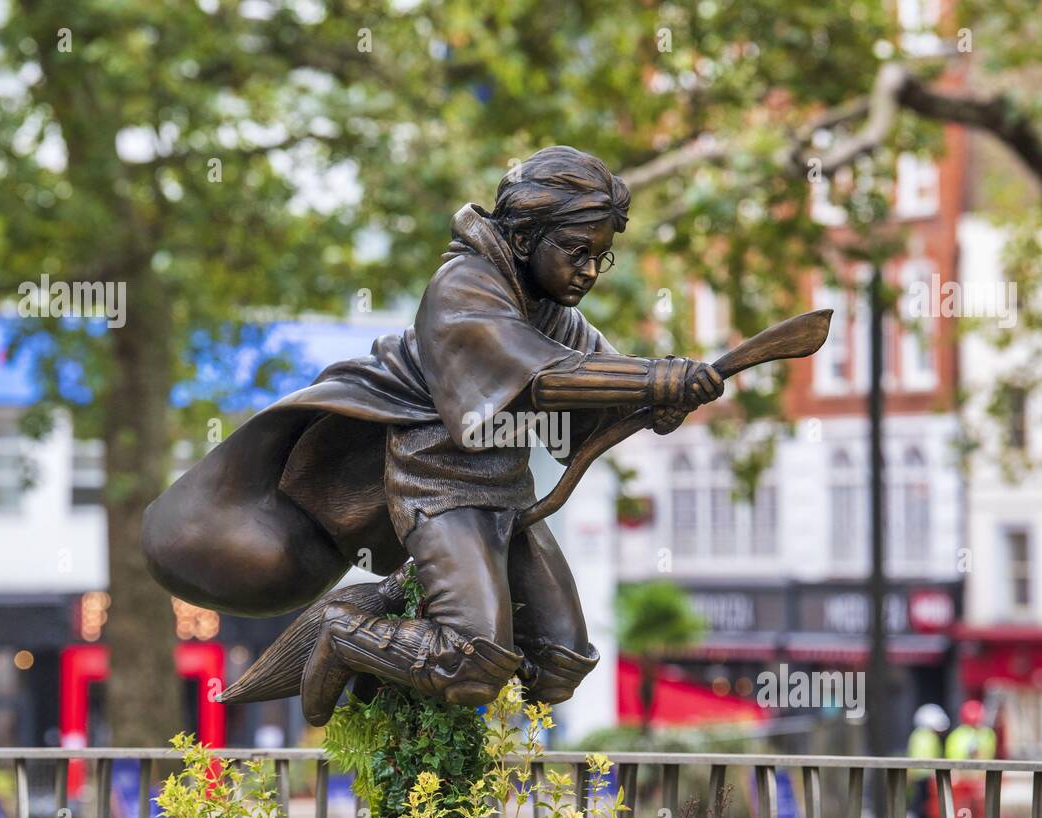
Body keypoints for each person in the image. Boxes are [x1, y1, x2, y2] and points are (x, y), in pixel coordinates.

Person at [143, 146, 725, 719]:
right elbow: (539, 375)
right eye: (578, 251)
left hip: (506, 495)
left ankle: (409, 661)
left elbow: (592, 390)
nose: (591, 271)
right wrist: (653, 379)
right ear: (525, 239)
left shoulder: (555, 314)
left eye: (603, 257)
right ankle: (349, 632)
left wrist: (656, 400)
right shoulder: (463, 287)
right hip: (438, 487)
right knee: (472, 660)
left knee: (560, 661)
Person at [907, 703, 950, 818]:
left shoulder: (919, 736)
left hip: (923, 779)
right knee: (924, 812)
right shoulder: (925, 737)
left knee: (923, 811)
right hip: (924, 780)